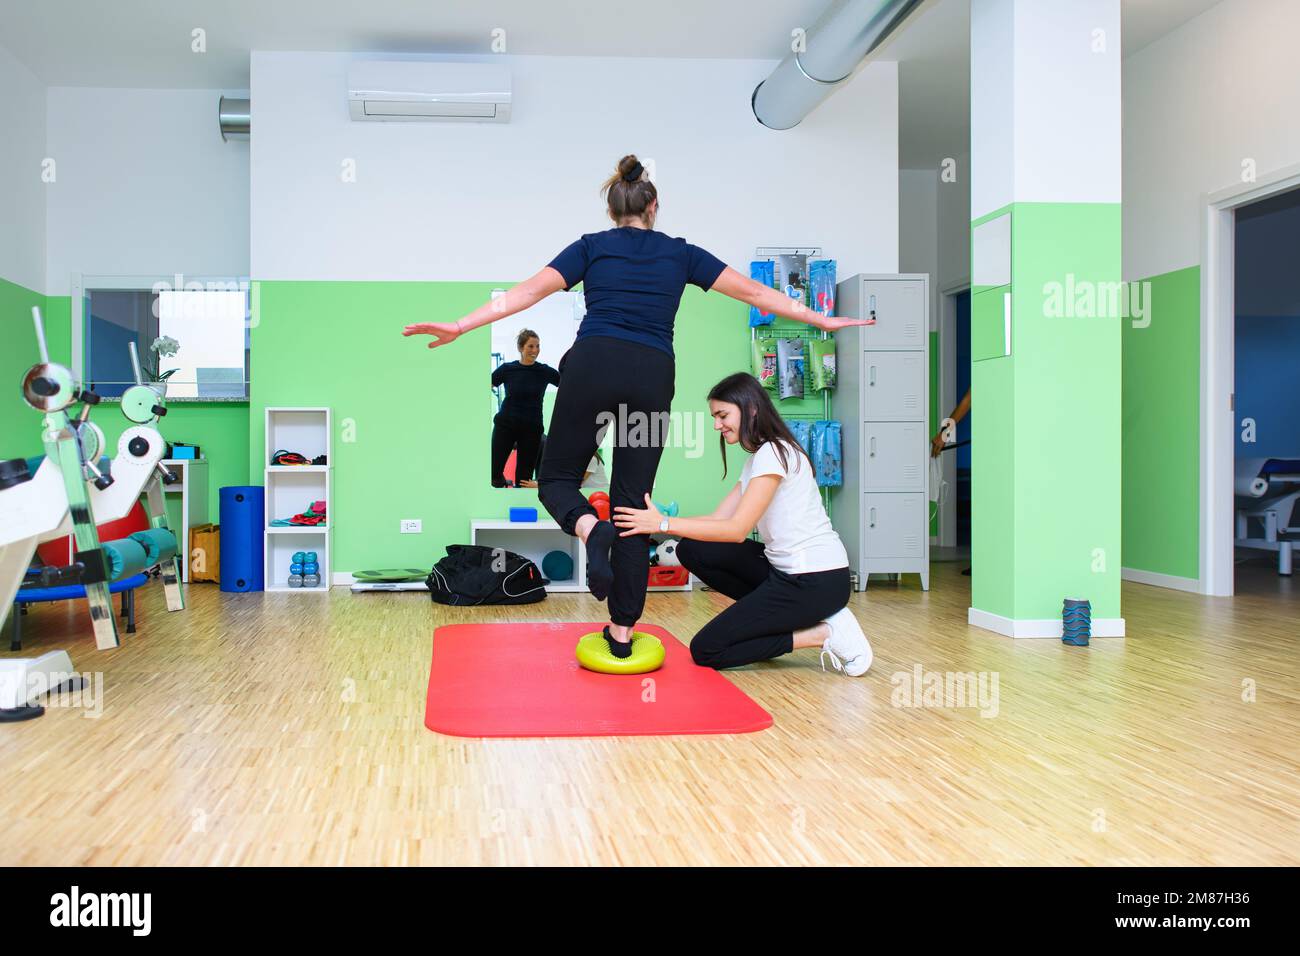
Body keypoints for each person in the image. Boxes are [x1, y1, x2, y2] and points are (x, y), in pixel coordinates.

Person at [402, 153, 870, 659]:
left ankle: (588, 529)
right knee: (633, 505)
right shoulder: (681, 254)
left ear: (612, 211)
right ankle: (621, 636)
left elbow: (523, 294)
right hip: (650, 376)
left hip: (591, 367)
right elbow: (755, 292)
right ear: (654, 206)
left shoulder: (591, 248)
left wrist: (461, 325)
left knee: (557, 480)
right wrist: (819, 320)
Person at [613, 372, 873, 676]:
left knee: (707, 649)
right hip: (786, 573)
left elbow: (736, 531)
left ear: (750, 409)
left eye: (723, 415)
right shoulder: (759, 459)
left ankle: (822, 633)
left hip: (815, 581)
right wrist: (657, 522)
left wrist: (664, 523)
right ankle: (773, 620)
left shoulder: (774, 453)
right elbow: (717, 520)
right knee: (692, 549)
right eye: (714, 416)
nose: (716, 425)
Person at [490, 328, 560, 488]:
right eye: (530, 346)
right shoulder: (508, 369)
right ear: (521, 348)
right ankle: (500, 488)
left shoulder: (544, 371)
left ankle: (521, 504)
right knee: (494, 471)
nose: (535, 350)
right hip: (505, 425)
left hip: (531, 429)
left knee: (524, 478)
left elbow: (567, 383)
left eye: (538, 346)